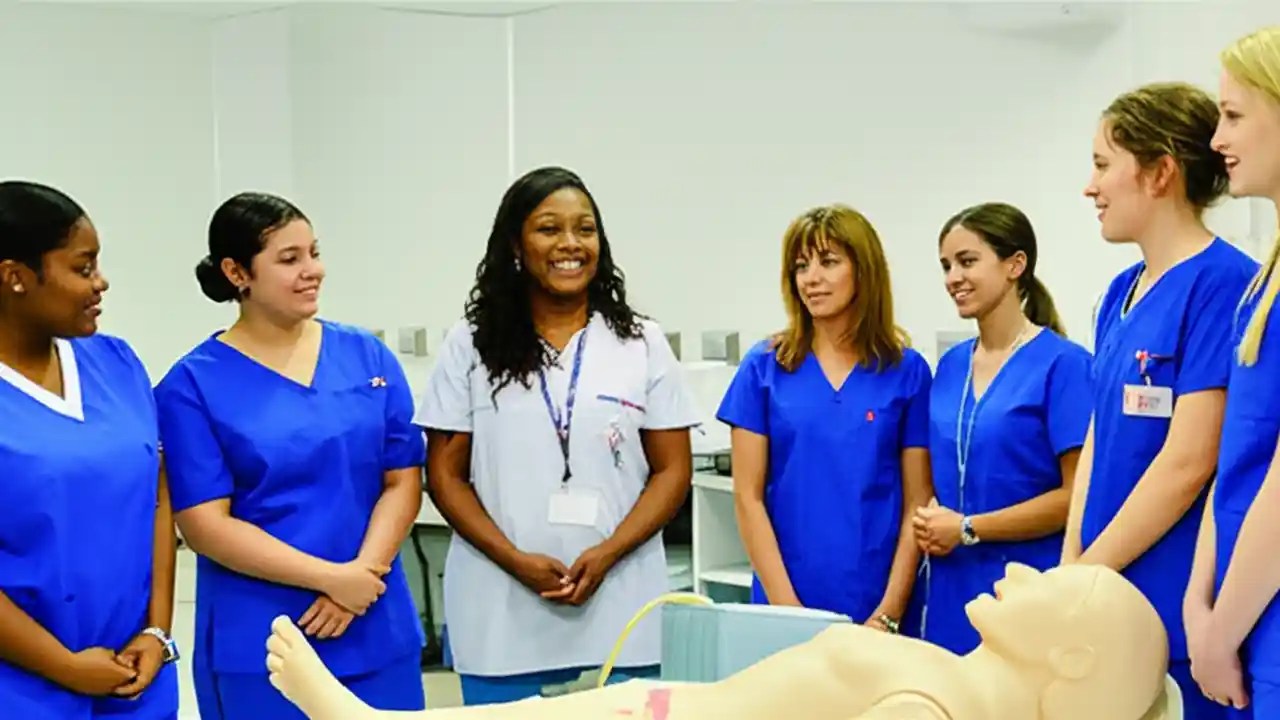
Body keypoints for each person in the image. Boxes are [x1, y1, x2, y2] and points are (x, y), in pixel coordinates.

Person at [414, 166, 700, 705]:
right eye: (549, 229)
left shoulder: (640, 342)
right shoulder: (471, 344)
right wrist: (514, 559)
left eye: (585, 229)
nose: (570, 244)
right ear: (515, 245)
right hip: (502, 612)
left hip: (623, 608)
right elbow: (446, 476)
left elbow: (672, 470)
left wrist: (609, 552)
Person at [263, 562, 1181, 720]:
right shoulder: (948, 683)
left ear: (1070, 660)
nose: (1022, 573)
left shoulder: (931, 708)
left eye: (1054, 591)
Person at [153, 192, 427, 719]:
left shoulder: (365, 356)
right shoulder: (191, 386)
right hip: (266, 639)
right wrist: (331, 580)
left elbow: (402, 479)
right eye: (289, 258)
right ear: (237, 273)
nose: (312, 270)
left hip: (374, 621)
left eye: (314, 253)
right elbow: (206, 524)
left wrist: (361, 576)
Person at [1061, 81, 1261, 719]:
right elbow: (1099, 437)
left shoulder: (1223, 284)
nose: (1090, 187)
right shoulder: (1120, 292)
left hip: (1171, 608)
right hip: (1102, 596)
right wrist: (1071, 567)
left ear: (1160, 173)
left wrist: (1089, 573)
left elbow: (1189, 461)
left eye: (1102, 165)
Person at [0, 180, 180, 718]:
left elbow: (157, 497)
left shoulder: (117, 364)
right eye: (83, 268)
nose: (101, 283)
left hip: (136, 677)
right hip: (23, 688)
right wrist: (65, 666)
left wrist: (157, 631)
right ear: (15, 276)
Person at [715, 204, 932, 634]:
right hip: (785, 604)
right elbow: (747, 499)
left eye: (828, 262)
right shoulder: (764, 368)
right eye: (801, 266)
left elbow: (918, 504)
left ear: (863, 270)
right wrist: (790, 615)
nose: (811, 278)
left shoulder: (907, 372)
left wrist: (888, 614)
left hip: (879, 608)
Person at [913, 202, 1092, 655]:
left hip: (1025, 590)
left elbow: (1076, 495)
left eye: (967, 261)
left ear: (1015, 265)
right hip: (949, 590)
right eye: (946, 266)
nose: (953, 277)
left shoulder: (1065, 366)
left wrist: (969, 528)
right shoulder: (951, 366)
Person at [1184, 25, 1280, 718]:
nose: (1217, 139)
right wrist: (1200, 599)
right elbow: (1237, 459)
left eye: (1234, 116)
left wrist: (1221, 629)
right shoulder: (1261, 287)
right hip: (1245, 619)